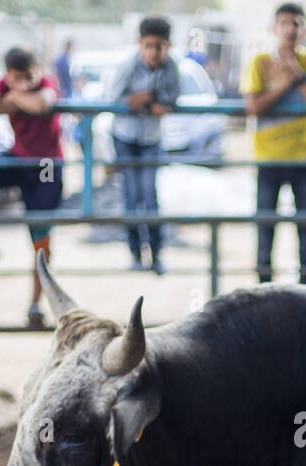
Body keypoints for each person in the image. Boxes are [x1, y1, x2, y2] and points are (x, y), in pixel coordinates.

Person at [0, 46, 64, 328]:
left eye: (28, 77)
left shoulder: (46, 83)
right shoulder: (6, 83)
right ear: (7, 74)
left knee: (40, 236)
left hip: (46, 163)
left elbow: (42, 103)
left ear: (38, 70)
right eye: (16, 78)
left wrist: (14, 95)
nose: (22, 82)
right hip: (18, 157)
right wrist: (17, 94)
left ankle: (35, 304)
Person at [242, 3, 306, 285]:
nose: (290, 30)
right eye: (285, 24)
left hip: (304, 158)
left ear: (304, 29)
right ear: (274, 29)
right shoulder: (259, 62)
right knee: (266, 229)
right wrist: (282, 85)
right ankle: (264, 289)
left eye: (296, 24)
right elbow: (254, 107)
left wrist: (295, 73)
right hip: (269, 158)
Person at [108, 17, 180, 274]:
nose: (153, 51)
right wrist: (143, 101)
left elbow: (172, 97)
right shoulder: (127, 66)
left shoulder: (171, 68)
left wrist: (151, 102)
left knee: (150, 196)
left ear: (168, 46)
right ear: (140, 44)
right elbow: (113, 99)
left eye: (159, 46)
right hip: (126, 137)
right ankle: (135, 255)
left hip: (151, 138)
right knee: (131, 195)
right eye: (148, 45)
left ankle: (156, 255)